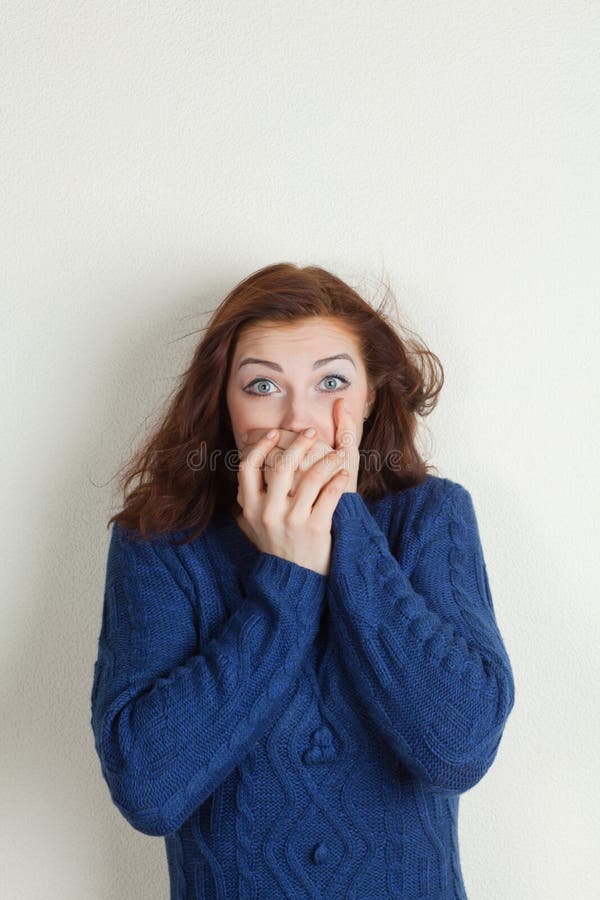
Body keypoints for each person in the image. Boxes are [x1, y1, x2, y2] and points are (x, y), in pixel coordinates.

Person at [90, 262, 516, 899]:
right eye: (263, 386)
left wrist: (341, 524)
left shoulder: (431, 516)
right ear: (222, 404)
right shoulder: (160, 541)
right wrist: (287, 578)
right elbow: (148, 792)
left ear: (370, 396)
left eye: (331, 383)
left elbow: (458, 749)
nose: (299, 419)